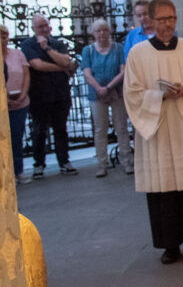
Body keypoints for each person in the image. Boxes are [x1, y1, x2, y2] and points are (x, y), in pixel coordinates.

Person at [124, 0, 183, 264]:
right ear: (151, 21)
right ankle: (170, 245)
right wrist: (159, 96)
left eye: (172, 19)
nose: (167, 25)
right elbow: (132, 93)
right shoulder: (138, 54)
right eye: (162, 19)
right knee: (164, 187)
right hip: (160, 130)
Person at [21, 14, 78, 178]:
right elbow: (37, 65)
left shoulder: (58, 44)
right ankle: (39, 164)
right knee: (39, 130)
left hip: (60, 94)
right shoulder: (27, 45)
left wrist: (47, 48)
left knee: (61, 129)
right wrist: (61, 67)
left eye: (46, 25)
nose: (44, 29)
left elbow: (67, 62)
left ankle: (64, 162)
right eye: (40, 26)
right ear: (33, 28)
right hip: (39, 95)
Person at [81, 19, 134, 177]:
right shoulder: (88, 50)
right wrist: (99, 88)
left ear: (109, 31)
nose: (102, 33)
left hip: (116, 91)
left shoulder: (118, 49)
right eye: (98, 31)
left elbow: (123, 70)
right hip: (96, 94)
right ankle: (101, 163)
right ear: (93, 33)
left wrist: (109, 87)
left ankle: (126, 161)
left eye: (104, 30)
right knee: (100, 130)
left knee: (122, 128)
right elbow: (86, 72)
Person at [3, 24, 32, 184]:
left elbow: (26, 75)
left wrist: (22, 95)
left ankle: (18, 171)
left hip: (20, 101)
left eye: (5, 36)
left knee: (16, 138)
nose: (3, 39)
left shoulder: (17, 54)